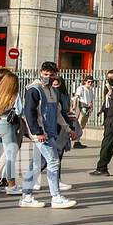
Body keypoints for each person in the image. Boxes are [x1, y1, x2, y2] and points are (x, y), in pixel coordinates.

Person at [20, 61, 77, 208]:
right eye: (45, 74)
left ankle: (26, 196)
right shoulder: (34, 90)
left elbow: (57, 112)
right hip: (41, 133)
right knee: (53, 161)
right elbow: (29, 112)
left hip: (49, 132)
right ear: (40, 73)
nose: (48, 77)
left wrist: (67, 128)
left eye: (51, 75)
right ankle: (56, 197)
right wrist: (37, 132)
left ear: (55, 75)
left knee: (37, 164)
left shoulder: (53, 90)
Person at [0, 68, 23, 195]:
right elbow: (19, 111)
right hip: (5, 124)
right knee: (10, 154)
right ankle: (11, 185)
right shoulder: (12, 95)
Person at [71, 75, 96, 149]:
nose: (90, 83)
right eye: (89, 82)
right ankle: (76, 141)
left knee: (82, 125)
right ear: (85, 81)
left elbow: (91, 100)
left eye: (91, 82)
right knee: (78, 125)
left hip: (87, 109)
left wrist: (91, 107)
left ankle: (77, 141)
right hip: (81, 108)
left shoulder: (91, 90)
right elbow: (76, 97)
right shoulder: (81, 88)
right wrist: (74, 107)